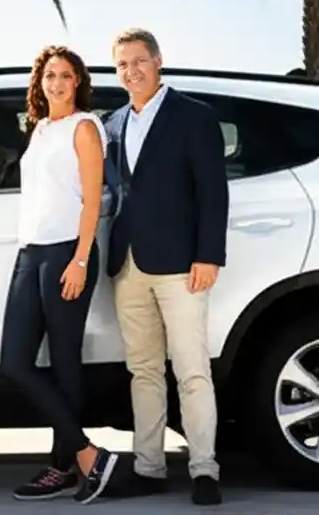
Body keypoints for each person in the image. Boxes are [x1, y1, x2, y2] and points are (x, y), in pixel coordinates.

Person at [101, 28, 229, 506]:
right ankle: (149, 467)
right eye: (122, 65)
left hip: (181, 264)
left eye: (138, 61)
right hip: (128, 264)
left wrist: (208, 254)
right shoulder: (112, 124)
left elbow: (213, 192)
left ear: (158, 61)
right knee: (144, 371)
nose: (131, 71)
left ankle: (204, 470)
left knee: (193, 370)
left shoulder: (194, 117)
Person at [0, 45, 119, 505]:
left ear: (78, 82)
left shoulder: (84, 128)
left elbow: (92, 200)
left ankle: (62, 468)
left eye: (66, 76)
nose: (57, 83)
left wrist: (81, 259)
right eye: (50, 75)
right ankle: (88, 455)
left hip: (68, 252)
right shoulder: (42, 129)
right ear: (40, 82)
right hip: (31, 253)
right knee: (15, 362)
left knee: (65, 361)